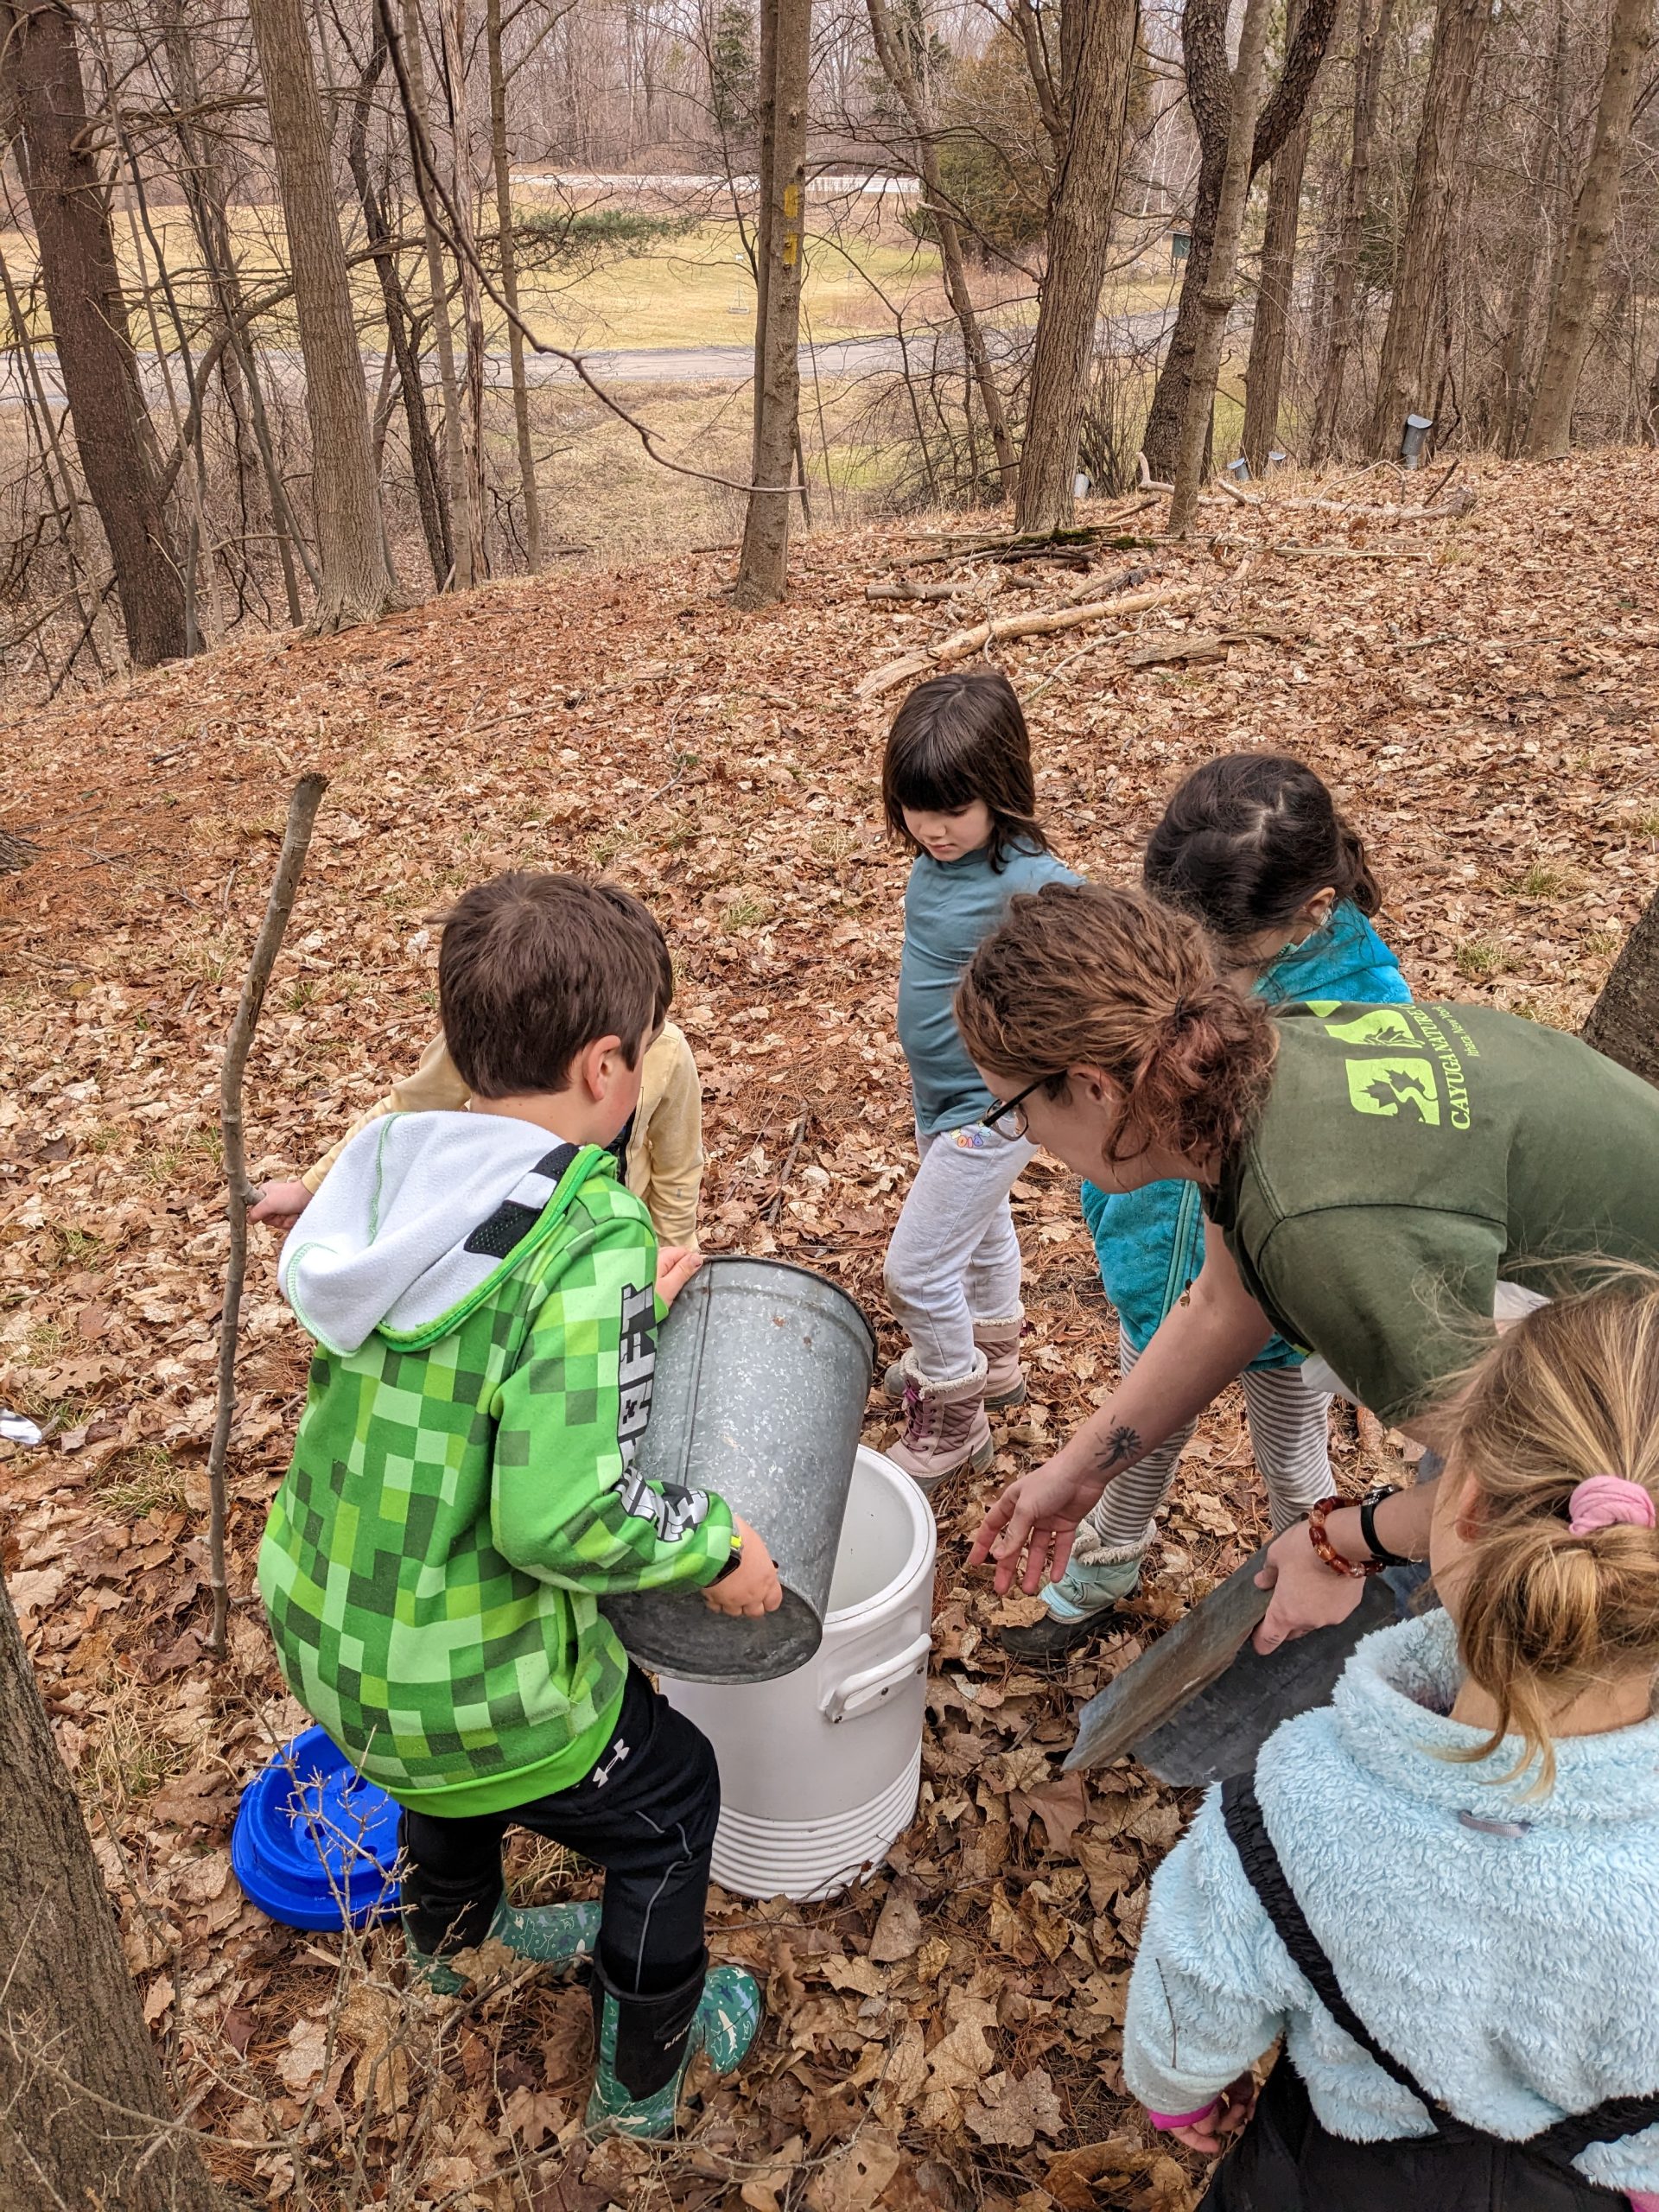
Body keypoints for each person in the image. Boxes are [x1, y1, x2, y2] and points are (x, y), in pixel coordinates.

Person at [257, 872, 782, 2140]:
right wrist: (717, 1545)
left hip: (337, 1639)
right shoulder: (587, 1231)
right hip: (469, 1683)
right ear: (610, 1070)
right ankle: (645, 2084)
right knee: (672, 1802)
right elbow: (559, 1517)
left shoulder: (390, 1174)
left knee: (442, 1756)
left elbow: (460, 1361)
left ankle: (456, 1938)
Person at [952, 879, 1659, 1649]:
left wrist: (1343, 1541)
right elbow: (1223, 1305)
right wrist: (1083, 1472)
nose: (1026, 1137)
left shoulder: (1312, 1226)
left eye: (1014, 1109)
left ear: (1092, 1088)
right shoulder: (1257, 1060)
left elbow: (1544, 1490)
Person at [1122, 1277, 1659, 2210]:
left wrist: (1179, 2102)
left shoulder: (1288, 1800)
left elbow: (1189, 2001)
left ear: (1467, 1505)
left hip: (1325, 2172)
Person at [1005, 755, 1410, 1660]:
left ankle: (1305, 1584)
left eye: (1224, 957)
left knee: (1293, 1462)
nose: (1204, 977)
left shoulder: (1368, 1019)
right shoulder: (1181, 955)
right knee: (1137, 1438)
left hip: (1279, 1316)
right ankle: (1105, 1566)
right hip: (1159, 1282)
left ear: (1310, 909)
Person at [878, 664, 1078, 1492]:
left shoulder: (1034, 881)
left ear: (1001, 789)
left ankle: (956, 1416)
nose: (932, 829)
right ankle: (993, 1360)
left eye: (953, 809)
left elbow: (1098, 936)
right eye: (915, 810)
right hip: (939, 1096)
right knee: (984, 1228)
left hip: (994, 1107)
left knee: (915, 1270)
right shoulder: (941, 859)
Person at [251, 883, 704, 1249]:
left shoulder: (669, 1055)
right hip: (504, 1241)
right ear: (603, 1065)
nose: (646, 1051)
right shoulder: (487, 1032)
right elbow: (404, 1110)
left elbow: (676, 1169)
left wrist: (664, 1256)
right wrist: (313, 1187)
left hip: (610, 1246)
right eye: (641, 1042)